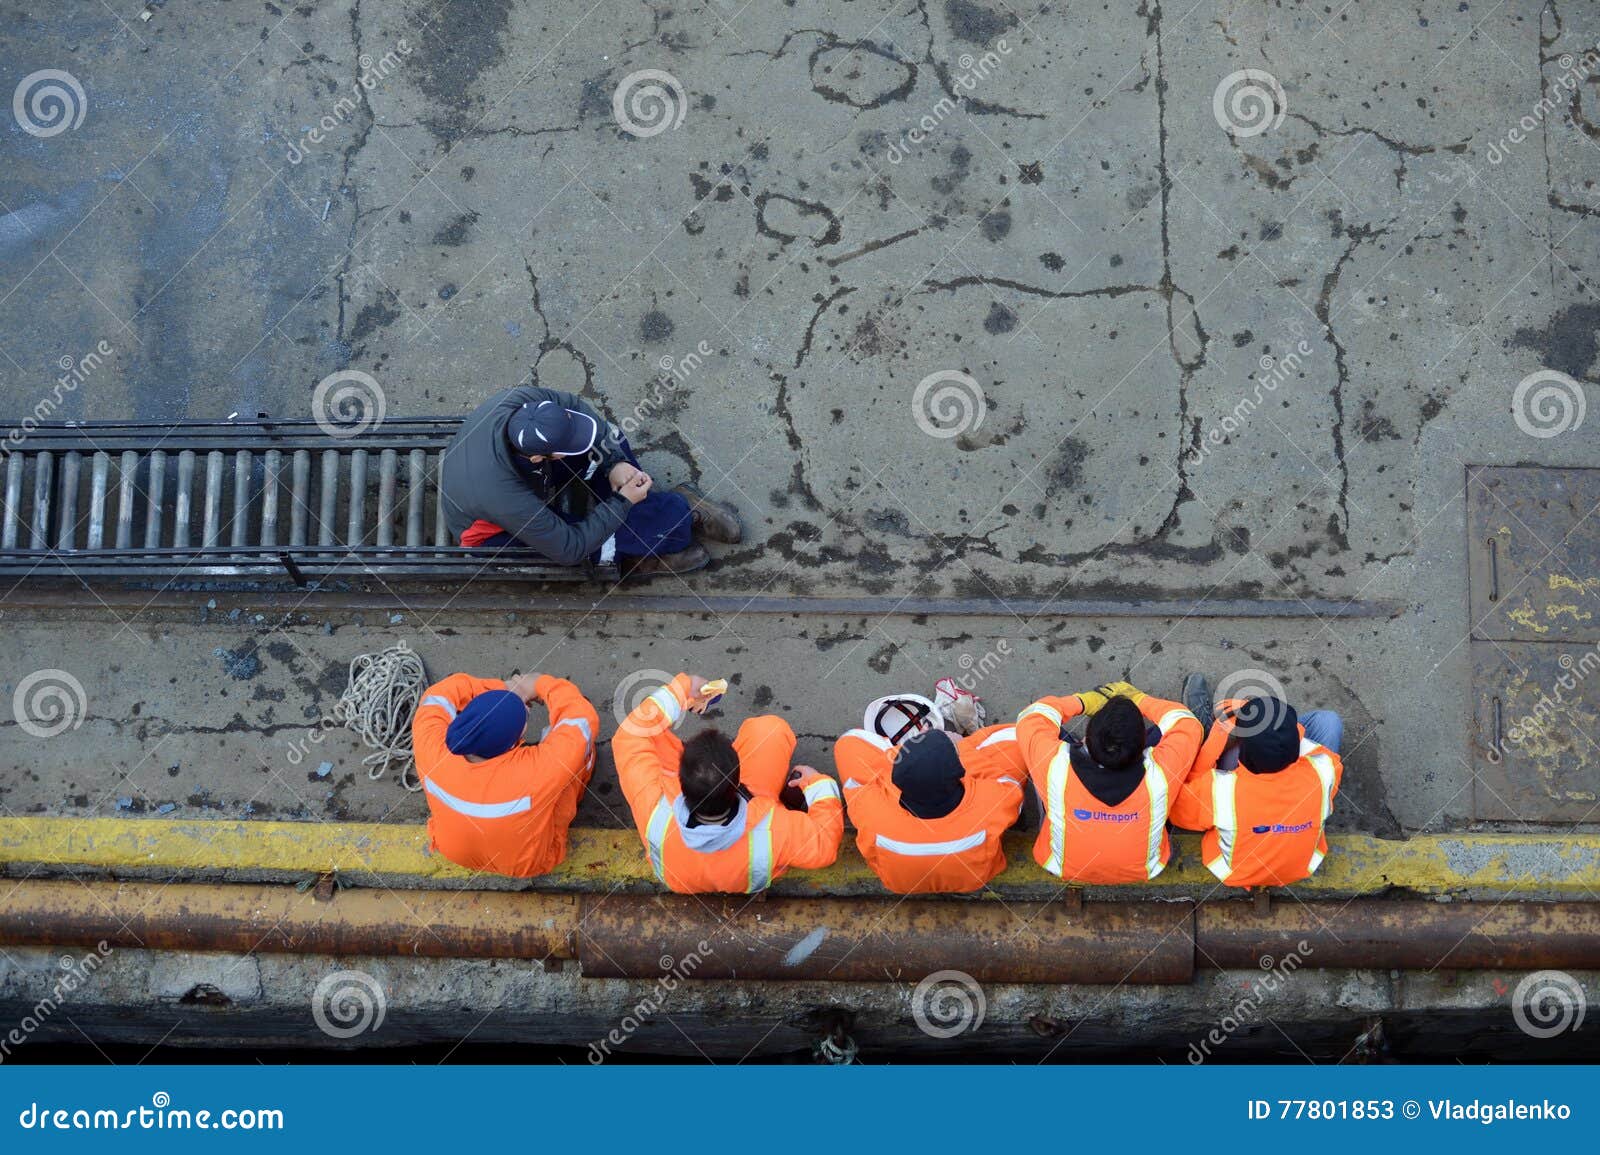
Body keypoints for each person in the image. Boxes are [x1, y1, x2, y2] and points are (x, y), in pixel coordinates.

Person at [439, 384, 741, 577]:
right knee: (582, 546)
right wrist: (623, 502)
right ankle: (659, 534)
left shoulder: (521, 401)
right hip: (490, 528)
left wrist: (614, 463)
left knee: (607, 437)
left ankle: (664, 526)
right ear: (537, 458)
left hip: (521, 478)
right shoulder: (504, 496)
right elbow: (569, 548)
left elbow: (578, 409)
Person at [612, 673, 843, 893]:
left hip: (679, 879)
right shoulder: (776, 829)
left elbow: (630, 734)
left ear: (679, 780)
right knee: (769, 729)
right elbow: (825, 846)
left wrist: (683, 689)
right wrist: (817, 784)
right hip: (745, 875)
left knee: (650, 736)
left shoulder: (653, 806)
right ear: (739, 781)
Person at [834, 679, 1025, 894]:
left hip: (900, 883)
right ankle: (963, 734)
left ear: (898, 782)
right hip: (975, 878)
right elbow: (1007, 786)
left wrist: (902, 752)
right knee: (1016, 737)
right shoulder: (991, 802)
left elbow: (855, 770)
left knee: (850, 741)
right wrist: (962, 748)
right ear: (959, 772)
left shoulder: (871, 809)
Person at [411, 670, 597, 878]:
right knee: (577, 756)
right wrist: (539, 684)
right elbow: (581, 720)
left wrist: (506, 690)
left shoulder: (429, 743)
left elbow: (438, 694)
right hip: (526, 864)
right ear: (512, 743)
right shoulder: (537, 771)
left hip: (454, 852)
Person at [1015, 679, 1201, 884]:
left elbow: (1032, 716)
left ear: (1086, 738)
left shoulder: (1054, 766)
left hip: (1061, 865)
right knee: (1167, 734)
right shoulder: (1162, 773)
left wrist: (1082, 702)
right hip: (1145, 868)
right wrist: (1140, 700)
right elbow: (1187, 722)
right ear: (1144, 746)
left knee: (1052, 733)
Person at [1169, 673, 1343, 887]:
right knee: (1329, 722)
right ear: (1295, 753)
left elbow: (1177, 812)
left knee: (1205, 786)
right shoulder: (1325, 770)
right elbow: (1313, 747)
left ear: (1244, 753)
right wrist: (1271, 728)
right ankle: (1270, 732)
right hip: (1300, 865)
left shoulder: (1220, 792)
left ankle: (1202, 731)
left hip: (1236, 870)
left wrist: (1218, 735)